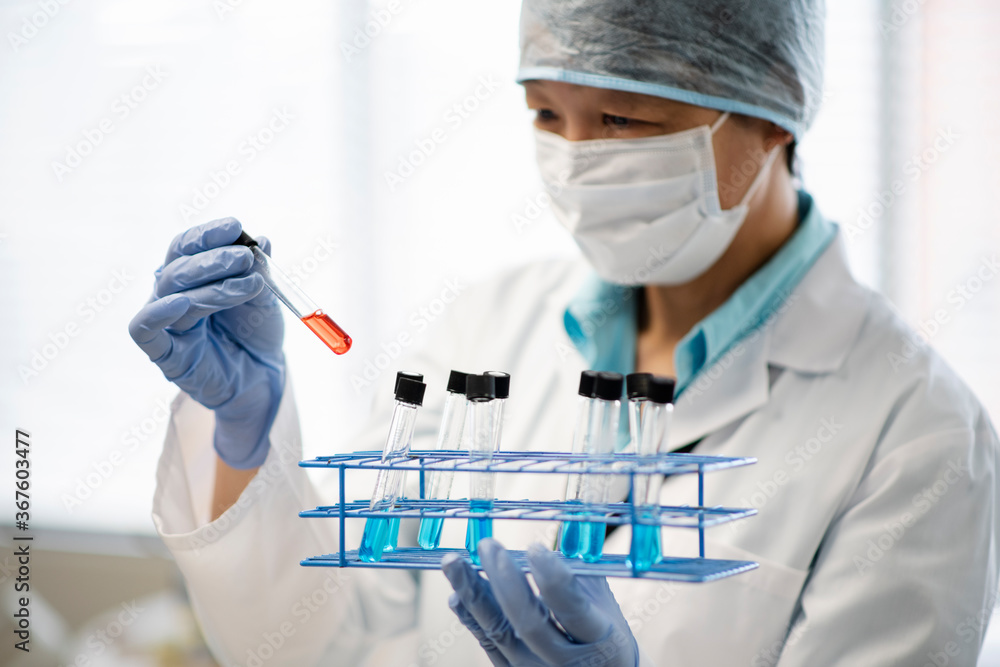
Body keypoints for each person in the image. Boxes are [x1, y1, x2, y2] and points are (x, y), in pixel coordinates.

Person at [128, 0, 1000, 665]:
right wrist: (245, 444)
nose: (578, 161)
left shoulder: (917, 438)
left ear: (772, 113)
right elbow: (333, 643)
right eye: (547, 114)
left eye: (623, 119)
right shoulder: (486, 331)